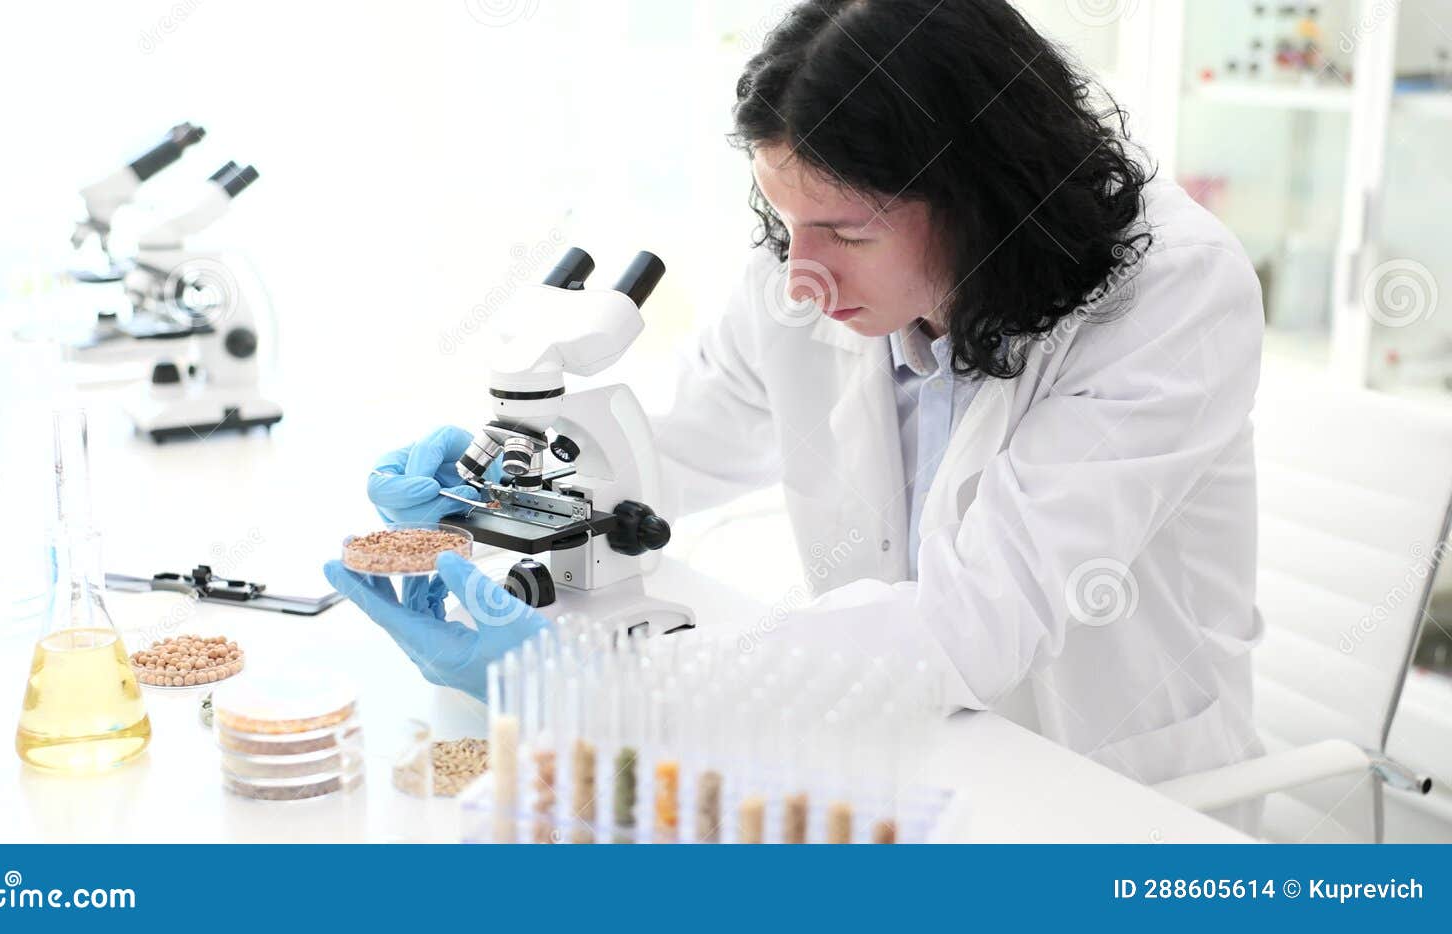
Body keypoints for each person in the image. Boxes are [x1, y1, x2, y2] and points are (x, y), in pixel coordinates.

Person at [324, 0, 1266, 832]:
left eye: (847, 234)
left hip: (1105, 799)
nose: (799, 273)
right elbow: (677, 455)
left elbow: (977, 619)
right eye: (782, 218)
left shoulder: (1171, 298)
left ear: (985, 203)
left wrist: (598, 686)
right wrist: (502, 487)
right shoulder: (800, 267)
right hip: (890, 760)